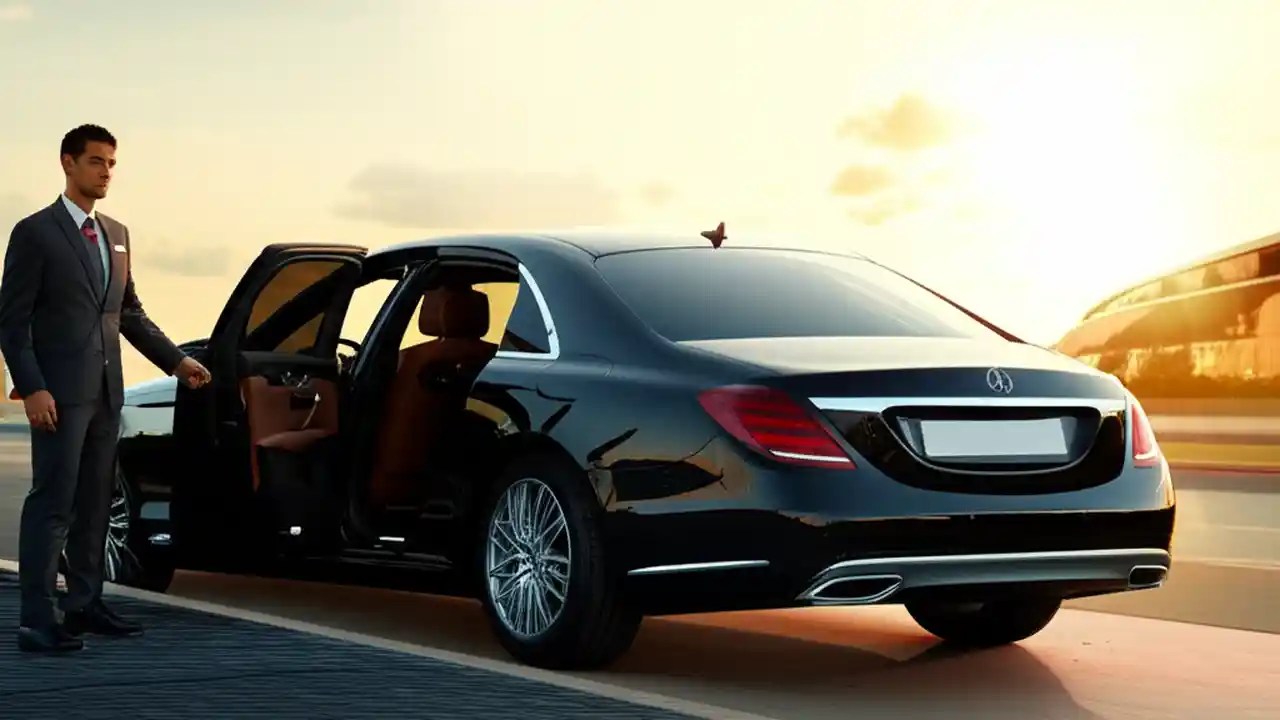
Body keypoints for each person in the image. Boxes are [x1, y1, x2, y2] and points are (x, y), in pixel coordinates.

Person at [0, 124, 211, 653]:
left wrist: (177, 360)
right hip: (57, 396)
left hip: (106, 393)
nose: (106, 172)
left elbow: (128, 313)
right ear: (68, 163)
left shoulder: (117, 234)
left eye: (112, 163)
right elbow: (12, 323)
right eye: (96, 161)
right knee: (53, 504)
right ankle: (36, 620)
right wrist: (33, 387)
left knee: (95, 504)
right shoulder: (35, 232)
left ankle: (85, 603)